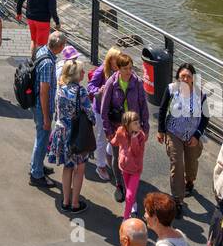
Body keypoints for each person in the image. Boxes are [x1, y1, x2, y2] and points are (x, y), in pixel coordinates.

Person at [97, 48, 149, 205]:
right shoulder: (111, 83)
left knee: (133, 155)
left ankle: (130, 183)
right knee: (117, 156)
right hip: (116, 127)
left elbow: (143, 107)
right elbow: (104, 109)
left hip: (133, 127)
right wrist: (108, 131)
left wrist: (145, 128)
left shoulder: (138, 83)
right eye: (125, 68)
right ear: (118, 69)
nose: (129, 71)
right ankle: (119, 183)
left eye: (130, 68)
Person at [158, 63, 209, 209]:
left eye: (188, 76)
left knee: (191, 163)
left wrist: (197, 135)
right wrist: (161, 130)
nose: (185, 79)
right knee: (177, 164)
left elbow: (205, 118)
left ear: (193, 78)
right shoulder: (171, 89)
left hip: (192, 134)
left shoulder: (201, 95)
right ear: (178, 77)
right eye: (182, 76)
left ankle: (190, 181)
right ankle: (178, 200)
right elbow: (162, 110)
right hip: (174, 132)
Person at [47, 57, 95, 213]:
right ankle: (75, 203)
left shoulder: (61, 89)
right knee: (79, 169)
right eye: (82, 71)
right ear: (76, 75)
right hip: (77, 134)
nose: (83, 73)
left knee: (67, 168)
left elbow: (58, 112)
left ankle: (65, 201)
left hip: (62, 133)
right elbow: (90, 114)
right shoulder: (81, 92)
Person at [29, 37, 58, 188]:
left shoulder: (42, 50)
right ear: (58, 47)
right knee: (42, 138)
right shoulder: (48, 63)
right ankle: (36, 174)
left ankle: (37, 165)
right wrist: (47, 117)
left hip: (36, 104)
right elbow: (44, 92)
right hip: (42, 108)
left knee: (40, 137)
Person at [110, 110, 148, 219]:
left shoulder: (141, 136)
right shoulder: (121, 131)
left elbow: (137, 153)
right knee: (129, 192)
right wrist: (110, 140)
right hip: (124, 168)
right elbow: (115, 142)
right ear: (127, 125)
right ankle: (133, 205)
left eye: (138, 122)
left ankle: (125, 218)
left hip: (135, 170)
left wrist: (134, 139)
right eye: (135, 123)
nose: (139, 125)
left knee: (129, 195)